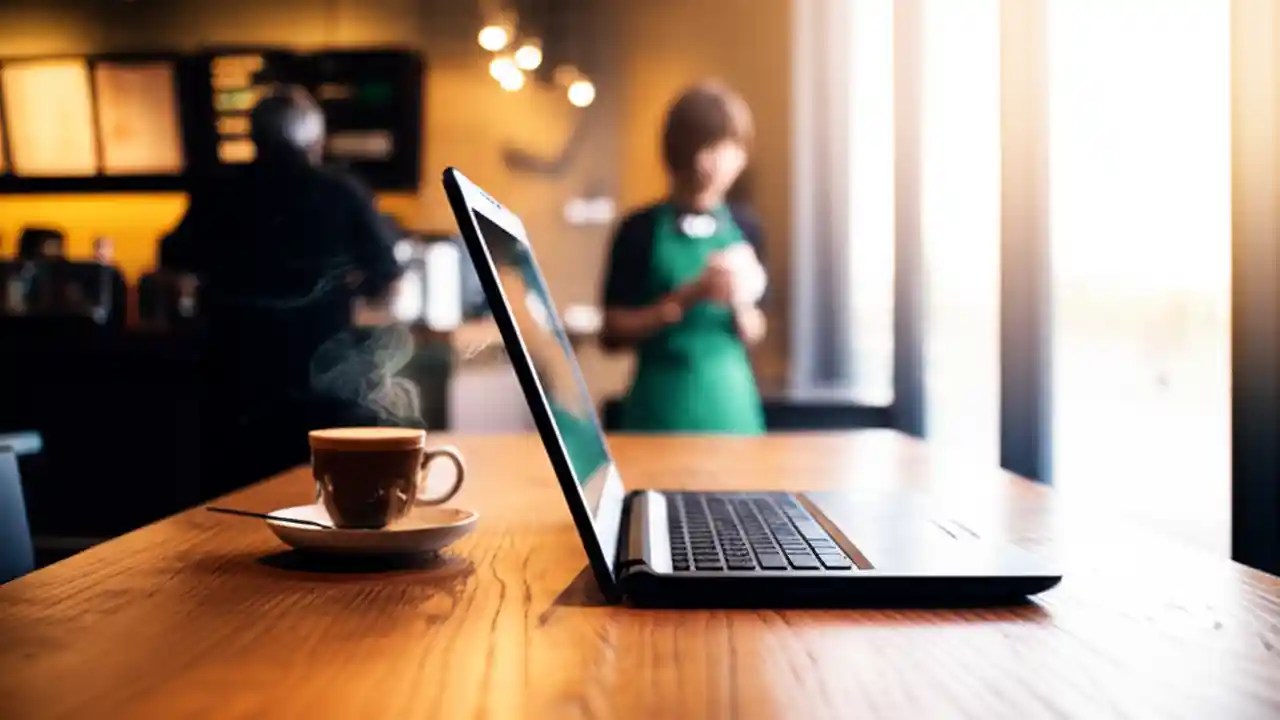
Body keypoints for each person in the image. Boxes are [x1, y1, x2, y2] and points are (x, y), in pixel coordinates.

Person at [160, 85, 404, 491]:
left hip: (233, 374)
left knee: (232, 498)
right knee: (315, 491)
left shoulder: (220, 191)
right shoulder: (341, 192)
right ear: (315, 140)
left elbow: (172, 260)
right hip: (319, 371)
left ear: (254, 137)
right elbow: (387, 277)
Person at [601, 81, 768, 434]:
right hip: (659, 409)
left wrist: (738, 299)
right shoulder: (639, 229)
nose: (720, 161)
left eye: (732, 148)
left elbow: (755, 329)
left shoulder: (746, 227)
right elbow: (611, 332)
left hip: (732, 407)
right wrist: (688, 297)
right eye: (711, 147)